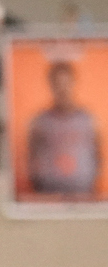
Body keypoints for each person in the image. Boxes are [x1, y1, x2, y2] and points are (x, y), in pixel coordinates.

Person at [28, 60, 101, 197]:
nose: (63, 89)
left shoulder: (88, 120)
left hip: (84, 195)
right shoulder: (40, 122)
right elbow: (32, 159)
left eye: (66, 83)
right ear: (51, 85)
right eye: (58, 84)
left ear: (73, 83)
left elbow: (98, 156)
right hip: (48, 195)